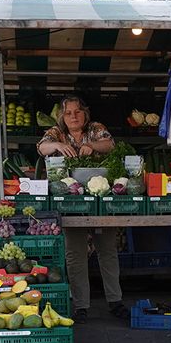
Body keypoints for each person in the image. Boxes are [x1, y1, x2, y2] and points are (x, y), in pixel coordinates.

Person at [36, 94, 127, 322]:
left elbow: (110, 143)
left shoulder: (95, 128)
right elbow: (42, 148)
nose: (73, 116)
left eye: (77, 111)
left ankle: (115, 302)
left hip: (100, 200)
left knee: (107, 251)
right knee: (75, 255)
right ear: (62, 117)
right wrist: (57, 145)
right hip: (71, 202)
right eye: (68, 113)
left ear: (85, 113)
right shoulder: (57, 134)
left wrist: (91, 145)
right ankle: (81, 306)